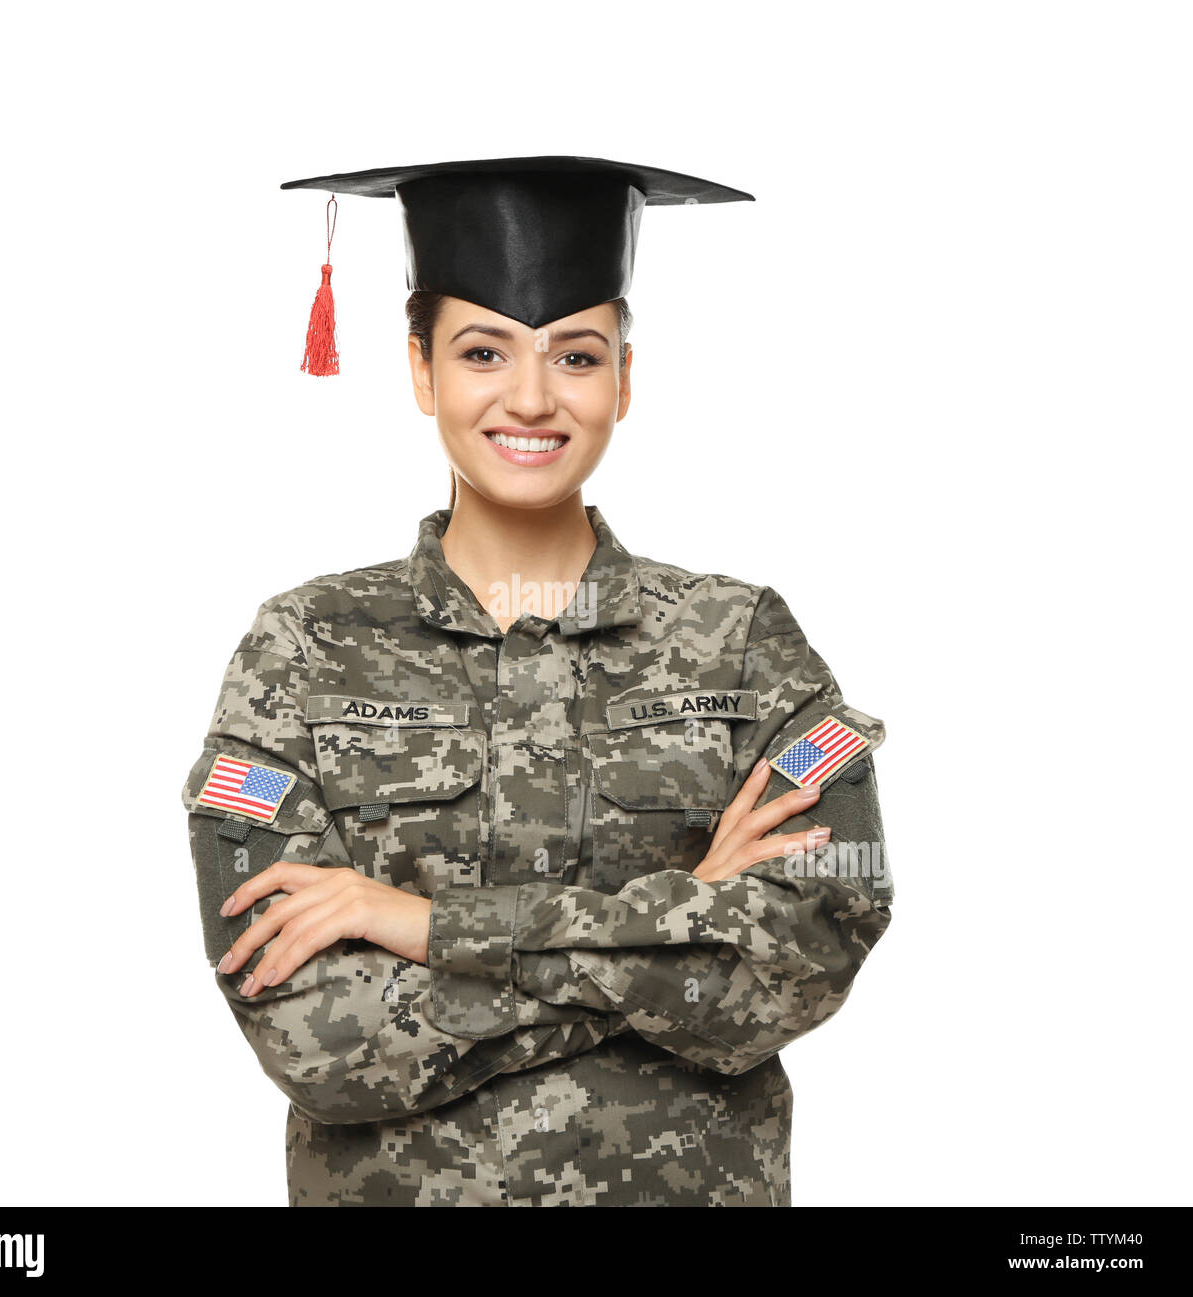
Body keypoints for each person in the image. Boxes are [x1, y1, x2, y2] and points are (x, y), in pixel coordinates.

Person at [181, 156, 893, 1207]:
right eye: (482, 352)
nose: (529, 396)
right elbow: (320, 1043)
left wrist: (427, 927)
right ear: (420, 370)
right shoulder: (304, 647)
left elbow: (804, 956)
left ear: (624, 378)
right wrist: (690, 908)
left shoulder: (741, 643)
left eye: (575, 355)